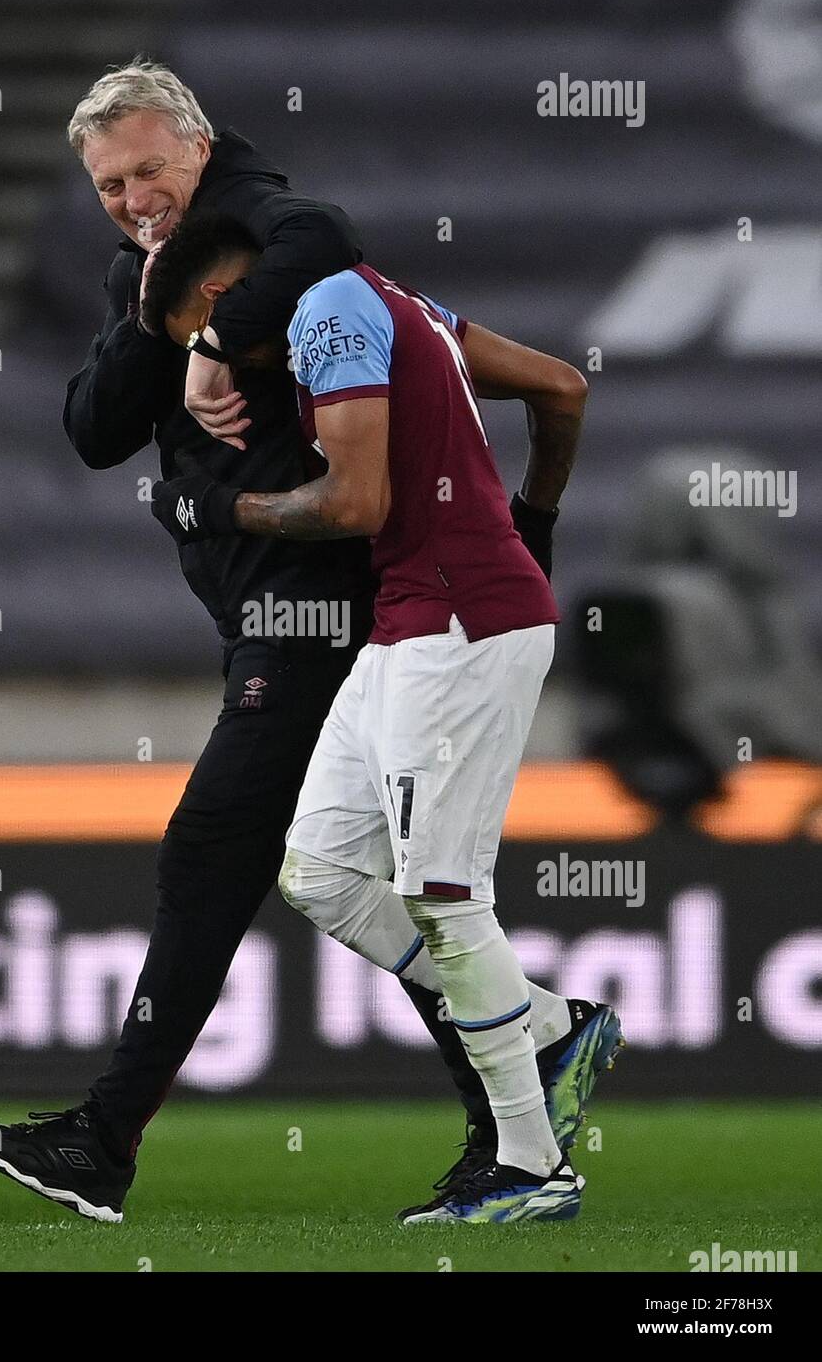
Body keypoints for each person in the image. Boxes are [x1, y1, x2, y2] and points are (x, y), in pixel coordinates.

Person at [147, 215, 622, 1223]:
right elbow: (561, 388)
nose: (216, 368)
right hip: (417, 618)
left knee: (443, 896)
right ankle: (539, 1024)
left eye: (203, 336)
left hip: (454, 618)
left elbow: (356, 502)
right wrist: (532, 521)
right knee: (317, 870)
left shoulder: (325, 311)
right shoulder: (400, 304)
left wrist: (222, 507)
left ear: (226, 302)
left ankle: (533, 1166)